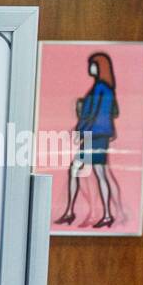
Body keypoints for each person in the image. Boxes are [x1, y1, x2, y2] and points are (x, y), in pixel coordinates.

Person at [57, 51, 120, 228]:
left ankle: (76, 212)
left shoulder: (99, 88)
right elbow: (114, 112)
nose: (90, 67)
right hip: (99, 135)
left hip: (94, 135)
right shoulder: (107, 88)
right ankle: (100, 213)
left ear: (99, 66)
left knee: (84, 170)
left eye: (93, 64)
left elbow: (92, 113)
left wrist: (81, 130)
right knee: (91, 172)